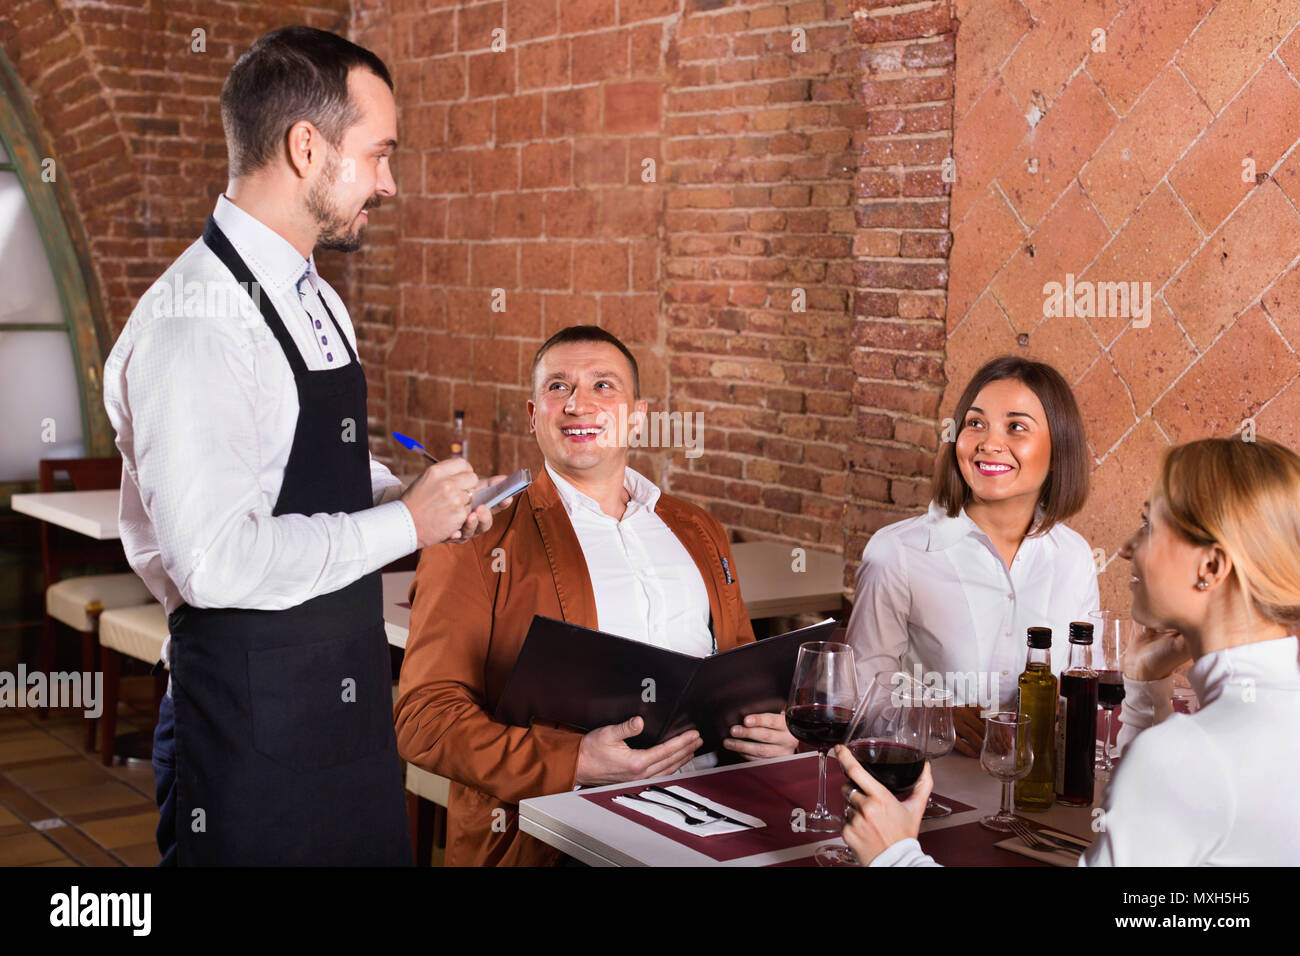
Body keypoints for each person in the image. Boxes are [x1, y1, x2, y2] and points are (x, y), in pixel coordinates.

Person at [104, 26, 503, 866]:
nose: (389, 184)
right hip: (246, 734)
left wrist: (405, 498)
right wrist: (406, 529)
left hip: (346, 711)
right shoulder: (195, 322)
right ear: (305, 147)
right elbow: (214, 562)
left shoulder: (316, 295)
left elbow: (306, 467)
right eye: (379, 154)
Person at [394, 325, 799, 866]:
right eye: (558, 387)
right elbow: (425, 718)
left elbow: (742, 674)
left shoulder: (699, 529)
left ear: (638, 415)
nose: (579, 404)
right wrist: (573, 761)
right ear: (535, 414)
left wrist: (773, 730)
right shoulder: (475, 536)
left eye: (603, 386)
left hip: (720, 816)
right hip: (558, 836)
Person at [837, 437, 1300, 866]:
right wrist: (1142, 690)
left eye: (1148, 525)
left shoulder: (1184, 756)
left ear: (1212, 566)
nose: (1125, 548)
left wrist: (895, 854)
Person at [844, 356, 1098, 756]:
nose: (988, 443)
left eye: (1016, 427)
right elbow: (855, 701)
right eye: (975, 423)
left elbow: (1086, 691)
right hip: (928, 796)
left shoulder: (1075, 557)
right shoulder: (896, 554)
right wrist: (929, 715)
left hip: (1040, 791)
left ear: (1058, 447)